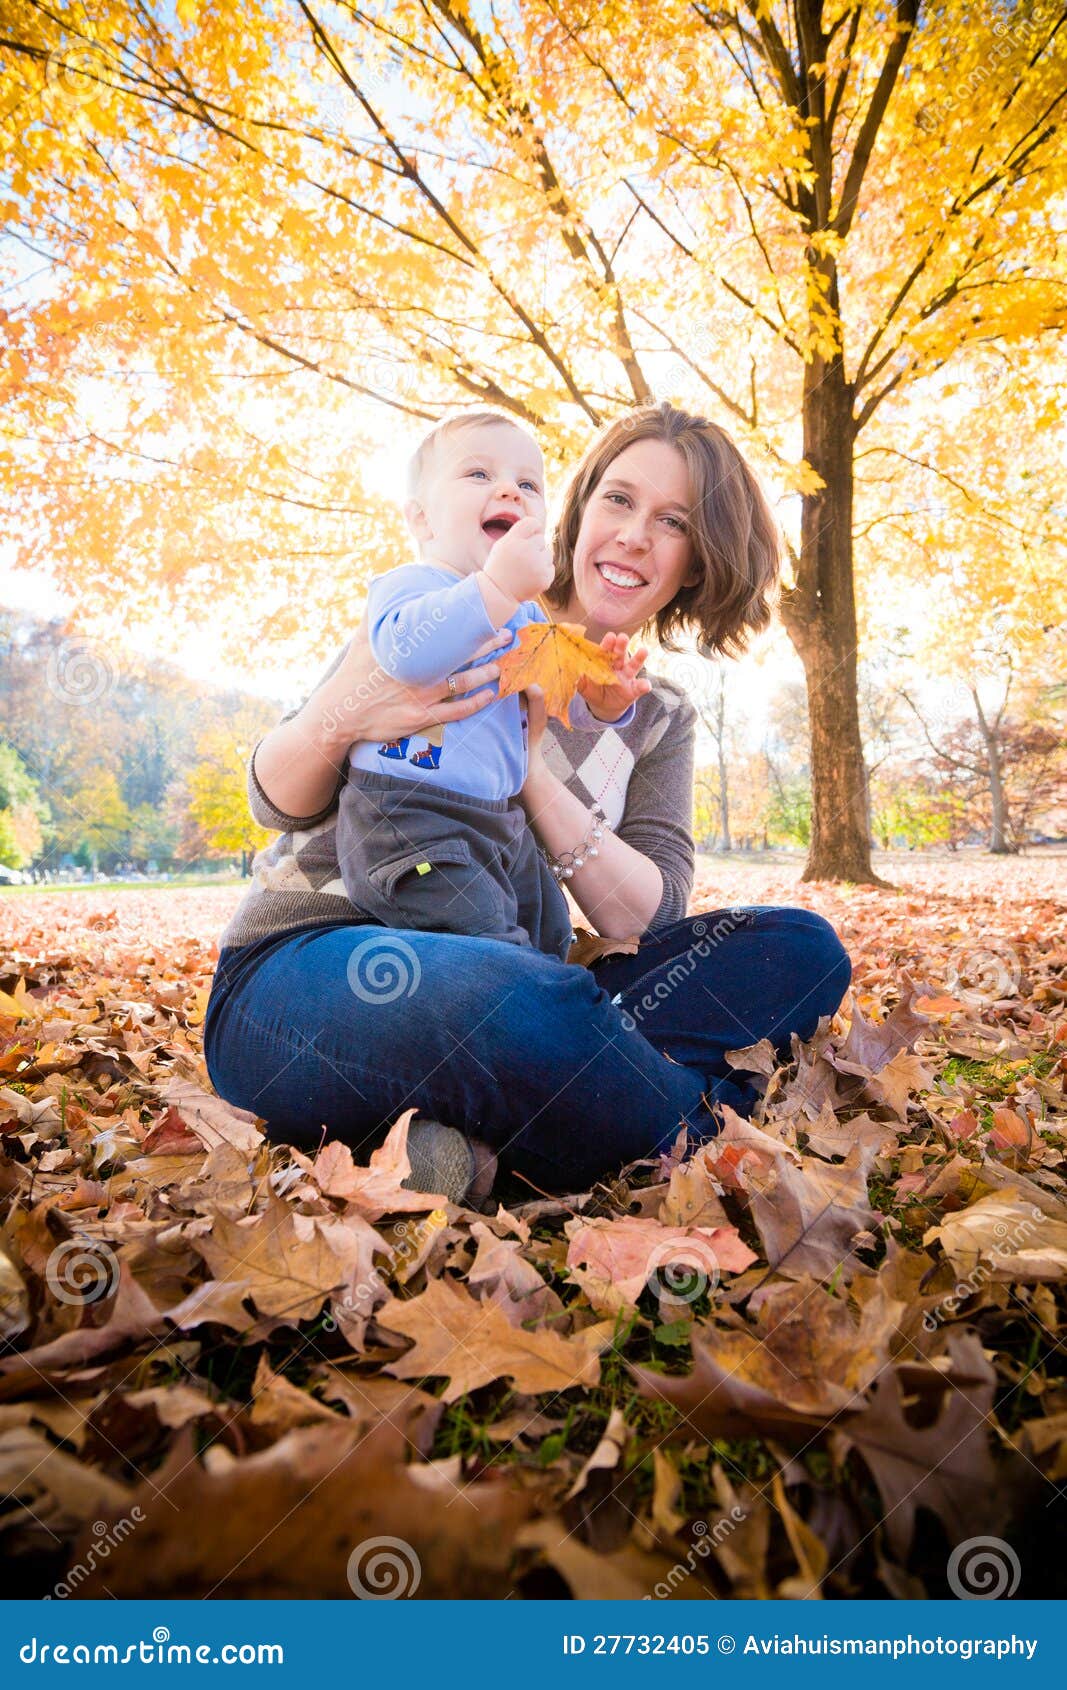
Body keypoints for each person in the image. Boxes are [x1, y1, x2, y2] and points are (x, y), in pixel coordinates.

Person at [203, 403, 852, 1207]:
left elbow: (646, 917)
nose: (634, 535)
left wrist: (531, 767)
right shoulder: (457, 608)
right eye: (618, 500)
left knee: (799, 949)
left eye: (672, 521)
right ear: (576, 511)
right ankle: (689, 1136)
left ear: (695, 562)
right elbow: (274, 800)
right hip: (308, 973)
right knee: (515, 1001)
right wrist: (346, 715)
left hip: (527, 973)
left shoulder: (655, 715)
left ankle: (476, 1147)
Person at [336, 410, 649, 961]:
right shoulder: (412, 585)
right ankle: (541, 999)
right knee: (488, 943)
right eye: (479, 474)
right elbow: (407, 656)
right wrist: (498, 588)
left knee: (548, 930)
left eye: (529, 484)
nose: (509, 490)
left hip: (499, 818)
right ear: (422, 519)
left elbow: (548, 692)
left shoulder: (525, 614)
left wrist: (602, 702)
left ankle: (552, 988)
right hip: (410, 817)